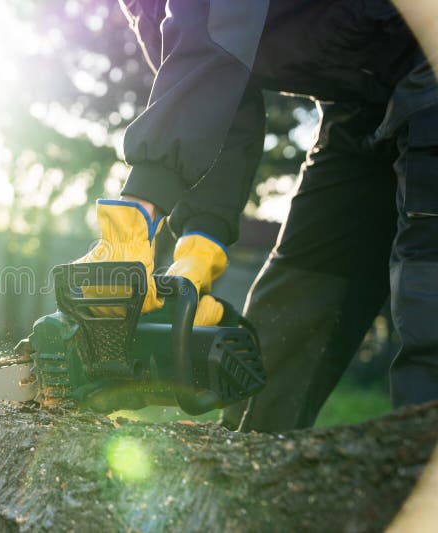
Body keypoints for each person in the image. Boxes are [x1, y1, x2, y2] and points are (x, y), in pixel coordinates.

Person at [77, 0, 438, 432]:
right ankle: (249, 465)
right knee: (291, 315)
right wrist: (200, 242)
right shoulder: (145, 6)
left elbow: (213, 32)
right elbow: (217, 98)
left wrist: (137, 212)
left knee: (428, 301)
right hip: (364, 100)